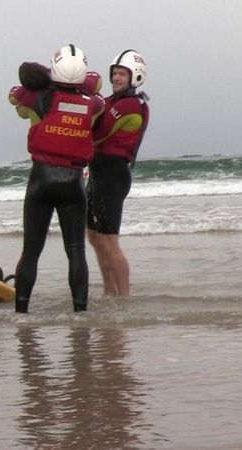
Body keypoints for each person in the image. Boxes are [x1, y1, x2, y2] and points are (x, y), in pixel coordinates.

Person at [9, 45, 105, 313]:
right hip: (74, 184)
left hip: (42, 180)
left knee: (31, 250)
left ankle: (22, 312)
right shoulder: (94, 103)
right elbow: (96, 89)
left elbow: (15, 100)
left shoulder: (38, 99)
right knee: (76, 251)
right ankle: (80, 312)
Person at [86, 49, 150, 296]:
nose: (116, 78)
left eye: (122, 74)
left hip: (113, 174)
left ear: (135, 77)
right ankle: (108, 290)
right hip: (98, 171)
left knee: (109, 240)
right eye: (114, 73)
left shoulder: (132, 105)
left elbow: (98, 133)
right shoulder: (112, 101)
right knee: (94, 237)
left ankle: (123, 297)